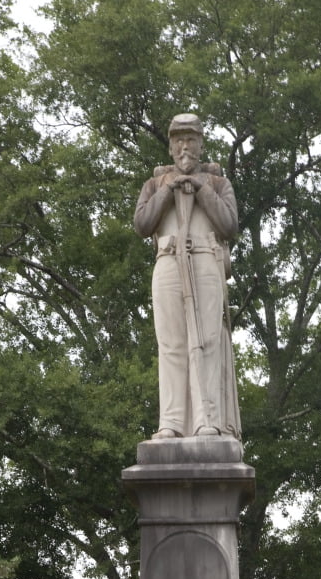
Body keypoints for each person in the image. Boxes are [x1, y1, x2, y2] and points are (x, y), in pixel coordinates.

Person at [134, 114, 241, 439]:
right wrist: (167, 190)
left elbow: (229, 225)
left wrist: (201, 188)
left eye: (190, 140)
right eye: (178, 140)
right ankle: (172, 422)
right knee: (171, 344)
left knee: (207, 341)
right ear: (170, 146)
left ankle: (206, 419)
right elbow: (142, 224)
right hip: (167, 262)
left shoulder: (218, 183)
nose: (185, 146)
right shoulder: (154, 184)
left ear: (200, 144)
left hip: (206, 262)